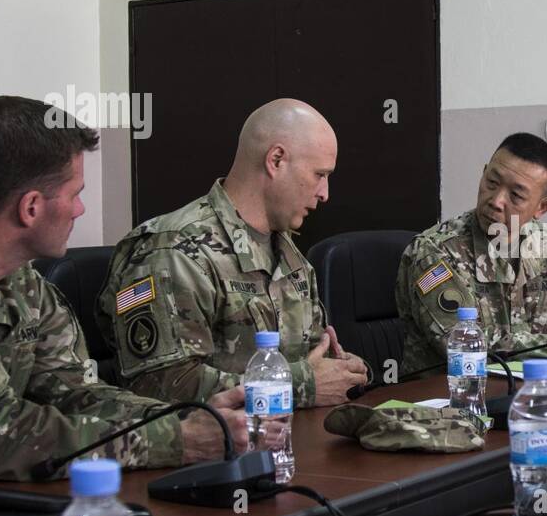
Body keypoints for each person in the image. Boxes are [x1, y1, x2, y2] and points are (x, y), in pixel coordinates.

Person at [0, 96, 244, 481]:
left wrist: (186, 416)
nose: (81, 210)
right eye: (75, 194)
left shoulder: (20, 281)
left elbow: (76, 392)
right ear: (30, 207)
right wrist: (177, 440)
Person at [98, 99, 368, 406]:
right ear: (276, 160)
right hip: (208, 449)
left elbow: (312, 359)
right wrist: (301, 384)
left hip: (287, 441)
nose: (325, 193)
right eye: (320, 174)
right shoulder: (174, 250)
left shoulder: (290, 255)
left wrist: (342, 369)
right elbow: (161, 386)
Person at [396, 133, 547, 374]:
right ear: (483, 173)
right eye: (492, 182)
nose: (496, 201)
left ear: (541, 207)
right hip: (446, 400)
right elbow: (464, 345)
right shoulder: (434, 252)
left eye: (516, 195)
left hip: (526, 394)